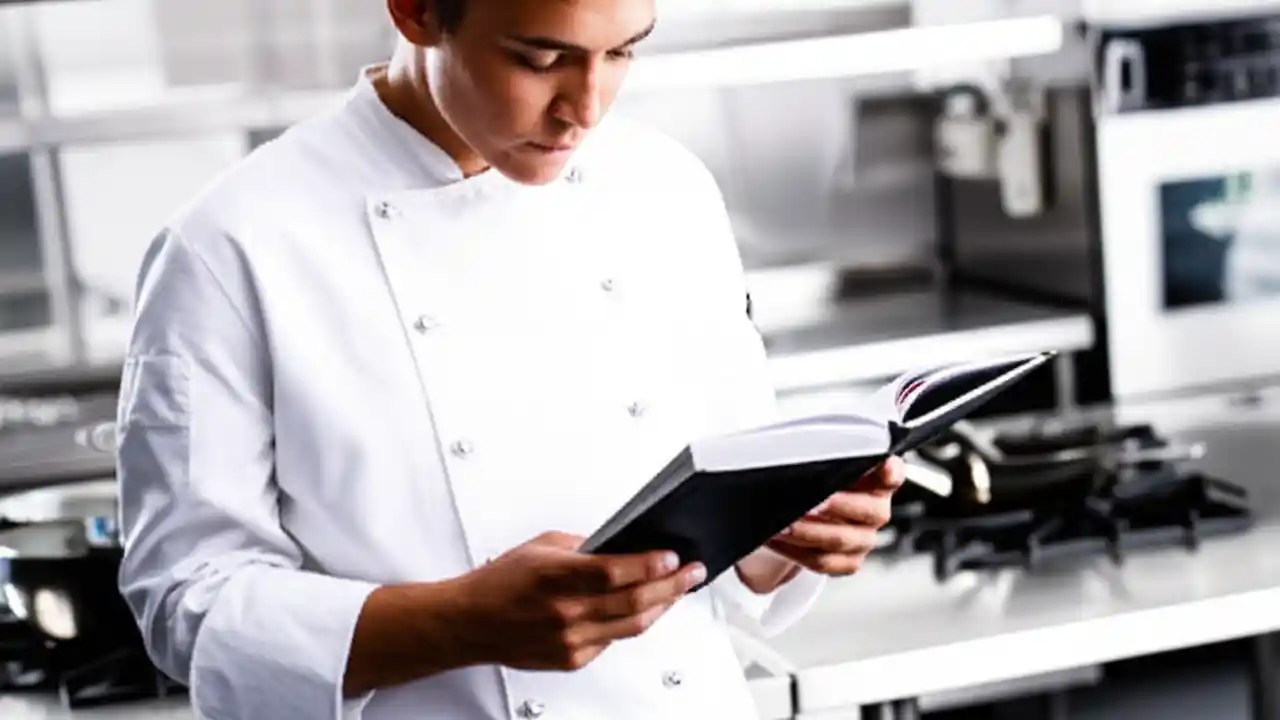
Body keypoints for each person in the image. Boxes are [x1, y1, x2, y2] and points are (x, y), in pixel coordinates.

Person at [115, 0, 906, 718]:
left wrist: (785, 535)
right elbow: (190, 604)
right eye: (538, 59)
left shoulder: (668, 187)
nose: (585, 109)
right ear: (418, 12)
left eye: (624, 53)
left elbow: (724, 524)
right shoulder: (232, 244)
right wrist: (464, 623)